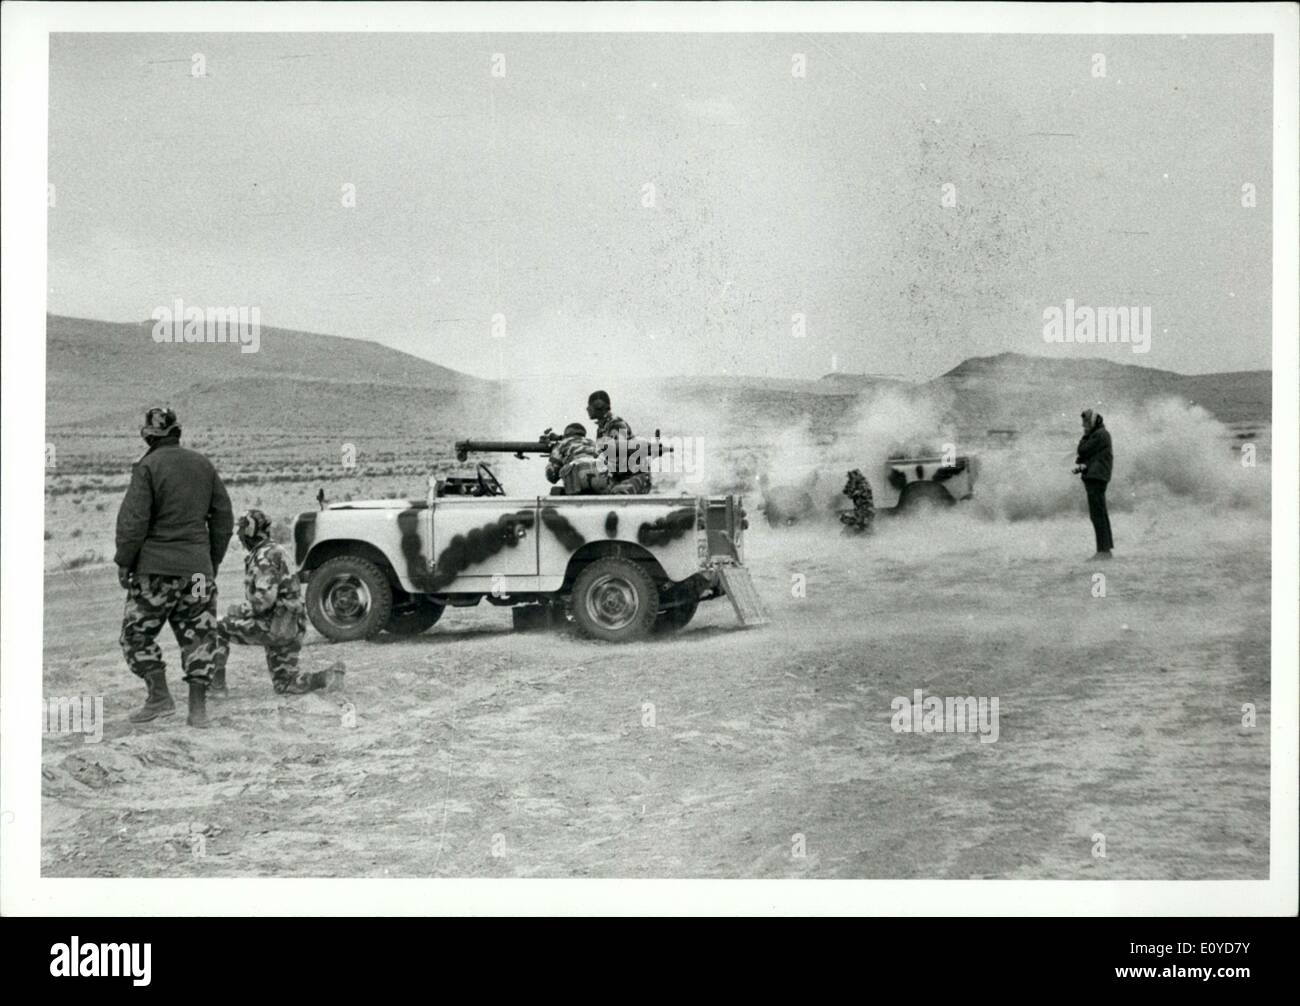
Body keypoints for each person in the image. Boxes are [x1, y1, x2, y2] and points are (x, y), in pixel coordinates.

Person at [115, 407, 233, 728]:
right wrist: (211, 562)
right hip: (197, 575)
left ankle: (159, 697)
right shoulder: (203, 465)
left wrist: (125, 561)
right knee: (200, 634)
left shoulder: (148, 467)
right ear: (177, 432)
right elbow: (223, 520)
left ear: (149, 436)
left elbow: (133, 522)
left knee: (136, 635)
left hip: (155, 573)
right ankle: (198, 711)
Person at [209, 509, 345, 696]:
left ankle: (216, 687)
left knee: (213, 626)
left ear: (250, 532)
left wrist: (236, 610)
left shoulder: (263, 557)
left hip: (274, 625)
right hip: (292, 624)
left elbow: (264, 600)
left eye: (242, 532)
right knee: (286, 684)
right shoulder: (276, 550)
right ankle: (326, 677)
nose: (240, 538)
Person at [586, 389, 652, 494]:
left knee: (616, 496)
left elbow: (618, 452)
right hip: (621, 477)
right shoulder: (603, 427)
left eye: (590, 406)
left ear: (599, 406)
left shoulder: (615, 424)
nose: (588, 409)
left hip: (635, 476)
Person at [1073, 409, 1114, 559]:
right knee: (1100, 514)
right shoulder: (1102, 434)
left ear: (1093, 422)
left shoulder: (1099, 435)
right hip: (1098, 477)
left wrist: (1084, 437)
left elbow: (1082, 450)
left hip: (1096, 478)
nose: (1084, 426)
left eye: (1086, 423)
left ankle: (1103, 551)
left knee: (1097, 515)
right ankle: (1105, 550)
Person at [544, 422, 610, 495]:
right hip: (601, 476)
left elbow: (552, 476)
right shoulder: (593, 443)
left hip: (577, 476)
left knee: (556, 491)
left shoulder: (561, 443)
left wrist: (553, 453)